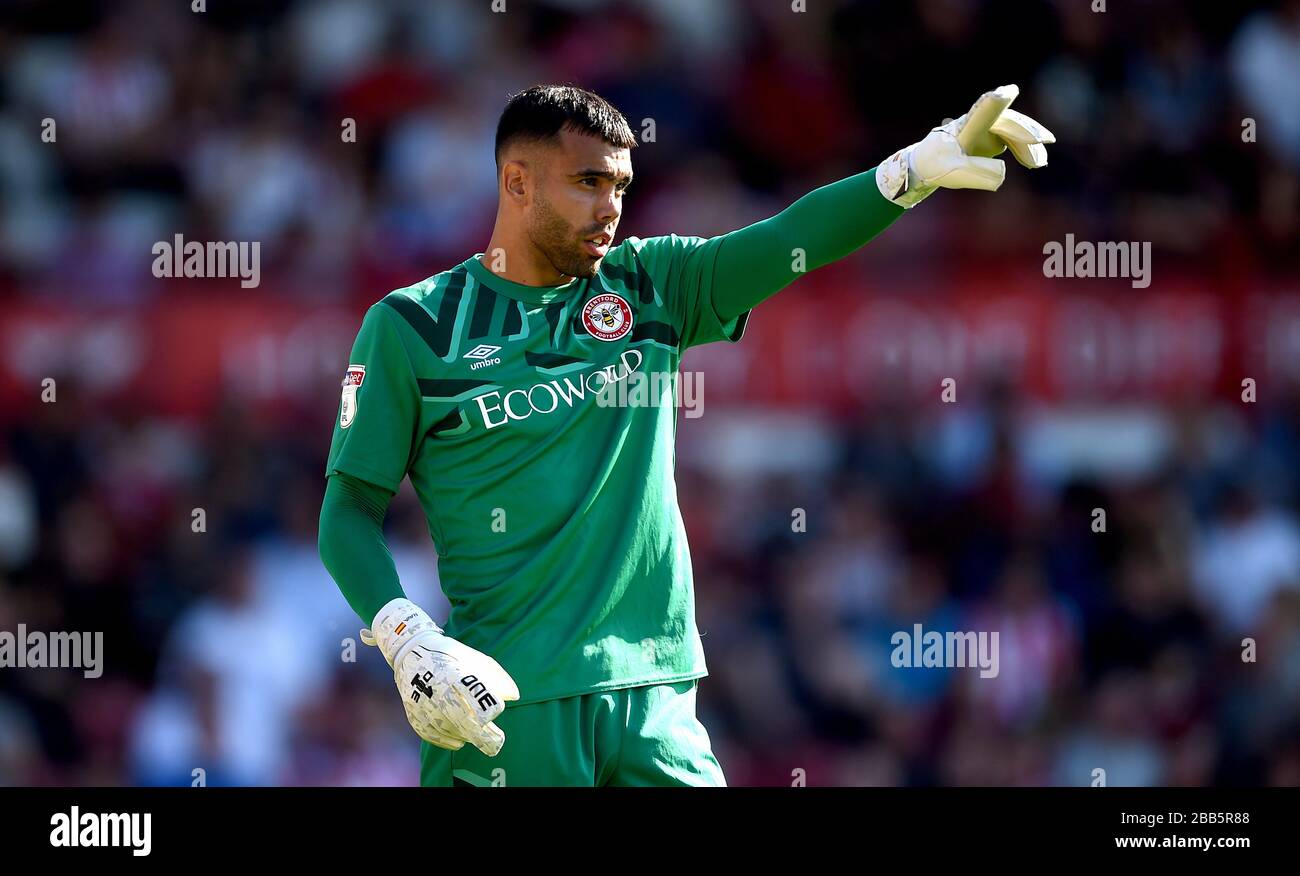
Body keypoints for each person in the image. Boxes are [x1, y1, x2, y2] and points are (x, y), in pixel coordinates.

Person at [317, 83, 1052, 786]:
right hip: (508, 701)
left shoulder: (650, 284)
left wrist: (917, 166)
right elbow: (348, 508)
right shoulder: (412, 326)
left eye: (621, 187)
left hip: (658, 696)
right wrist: (405, 633)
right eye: (587, 183)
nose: (611, 208)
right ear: (517, 182)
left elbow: (791, 238)